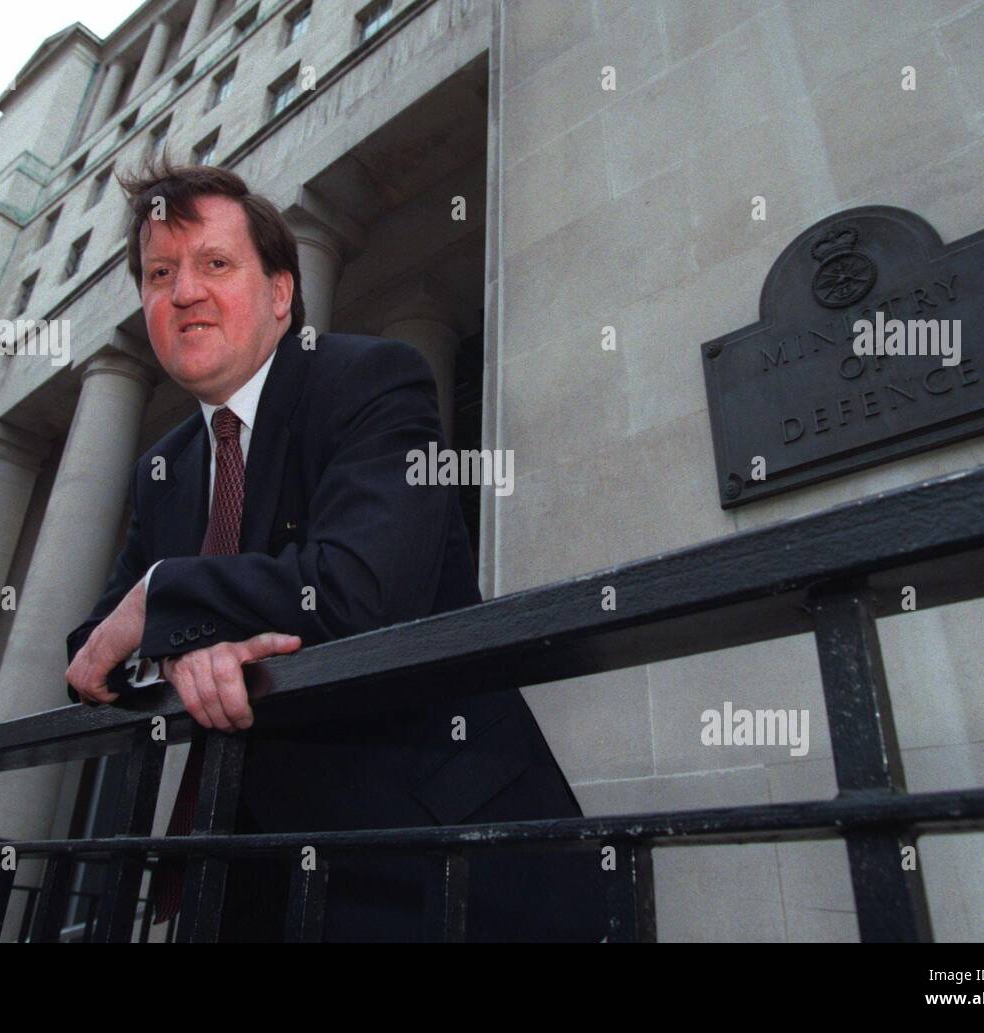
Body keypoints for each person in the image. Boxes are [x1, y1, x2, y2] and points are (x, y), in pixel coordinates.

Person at [64, 160, 606, 941]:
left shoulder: (372, 381)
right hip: (259, 879)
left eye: (215, 264)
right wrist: (181, 649)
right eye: (158, 273)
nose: (182, 292)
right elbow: (91, 651)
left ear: (280, 293)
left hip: (445, 862)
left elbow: (360, 589)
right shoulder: (167, 468)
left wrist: (164, 601)